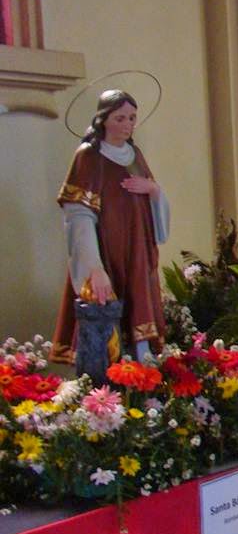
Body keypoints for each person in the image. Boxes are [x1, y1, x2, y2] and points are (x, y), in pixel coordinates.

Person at [52, 89, 170, 364]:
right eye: (120, 118)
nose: (127, 124)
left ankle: (142, 370)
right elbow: (78, 215)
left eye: (132, 118)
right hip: (105, 250)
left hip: (137, 248)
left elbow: (152, 196)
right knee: (105, 312)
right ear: (103, 119)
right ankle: (105, 382)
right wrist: (94, 267)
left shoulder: (135, 154)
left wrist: (153, 190)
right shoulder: (89, 157)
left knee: (138, 305)